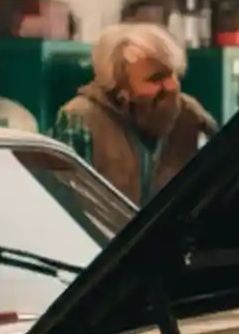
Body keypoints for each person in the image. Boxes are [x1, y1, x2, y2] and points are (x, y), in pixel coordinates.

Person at [53, 22, 218, 206]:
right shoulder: (81, 119)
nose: (171, 87)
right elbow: (61, 202)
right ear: (119, 89)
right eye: (155, 79)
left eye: (172, 74)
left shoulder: (190, 115)